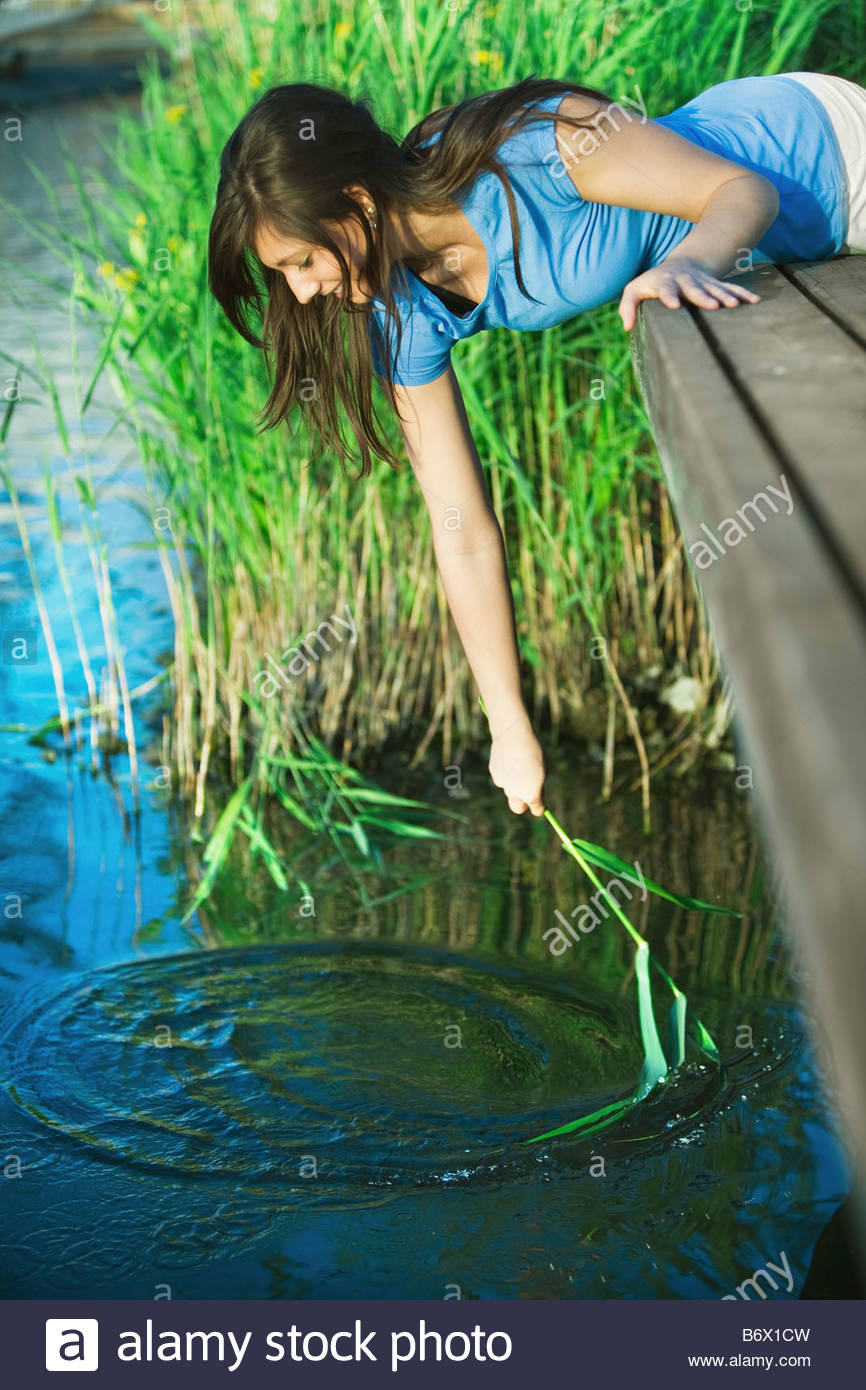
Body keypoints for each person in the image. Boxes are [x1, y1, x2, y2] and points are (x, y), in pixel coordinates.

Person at [208, 71, 866, 817]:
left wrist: (685, 264)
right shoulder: (401, 312)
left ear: (356, 205)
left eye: (301, 262)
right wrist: (509, 728)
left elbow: (743, 191)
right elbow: (461, 532)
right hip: (787, 258)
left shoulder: (534, 151)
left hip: (823, 158)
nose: (299, 292)